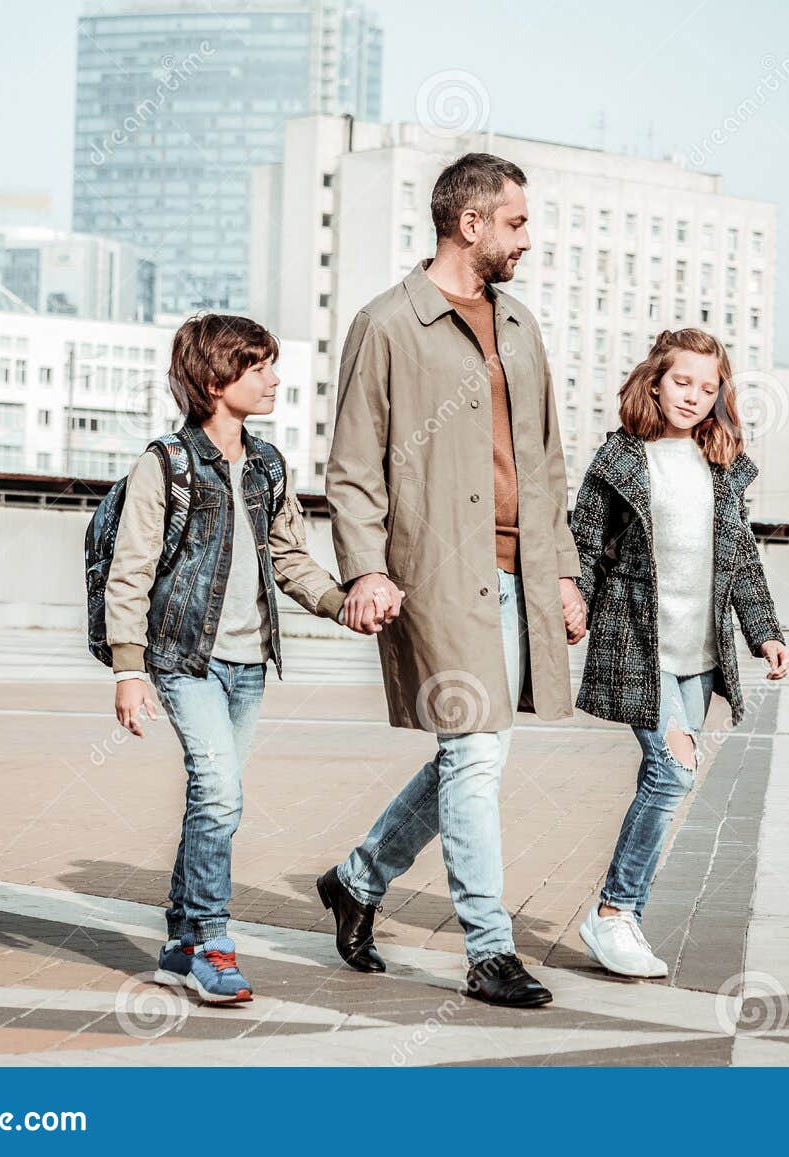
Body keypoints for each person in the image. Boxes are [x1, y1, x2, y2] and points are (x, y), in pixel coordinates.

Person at [315, 153, 587, 1009]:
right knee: (472, 755)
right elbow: (353, 468)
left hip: (522, 571)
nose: (527, 239)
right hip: (437, 576)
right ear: (470, 224)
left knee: (475, 755)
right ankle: (489, 949)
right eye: (516, 222)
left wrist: (567, 571)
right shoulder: (388, 324)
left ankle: (357, 879)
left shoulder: (520, 325)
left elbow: (545, 458)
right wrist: (364, 566)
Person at [106, 314, 346, 1004]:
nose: (274, 379)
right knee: (220, 795)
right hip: (185, 660)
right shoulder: (166, 464)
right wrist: (128, 669)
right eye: (258, 367)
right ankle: (213, 941)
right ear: (215, 379)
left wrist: (339, 601)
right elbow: (131, 569)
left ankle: (181, 944)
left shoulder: (268, 464)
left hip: (249, 664)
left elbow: (290, 556)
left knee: (216, 802)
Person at [569, 328, 789, 978]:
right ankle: (611, 914)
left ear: (720, 392)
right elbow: (584, 536)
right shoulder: (623, 457)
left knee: (665, 778)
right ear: (655, 381)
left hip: (698, 655)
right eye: (681, 381)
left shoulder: (719, 466)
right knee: (673, 772)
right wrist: (574, 598)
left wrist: (765, 631)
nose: (693, 395)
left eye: (707, 384)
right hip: (638, 642)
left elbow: (741, 556)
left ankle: (626, 916)